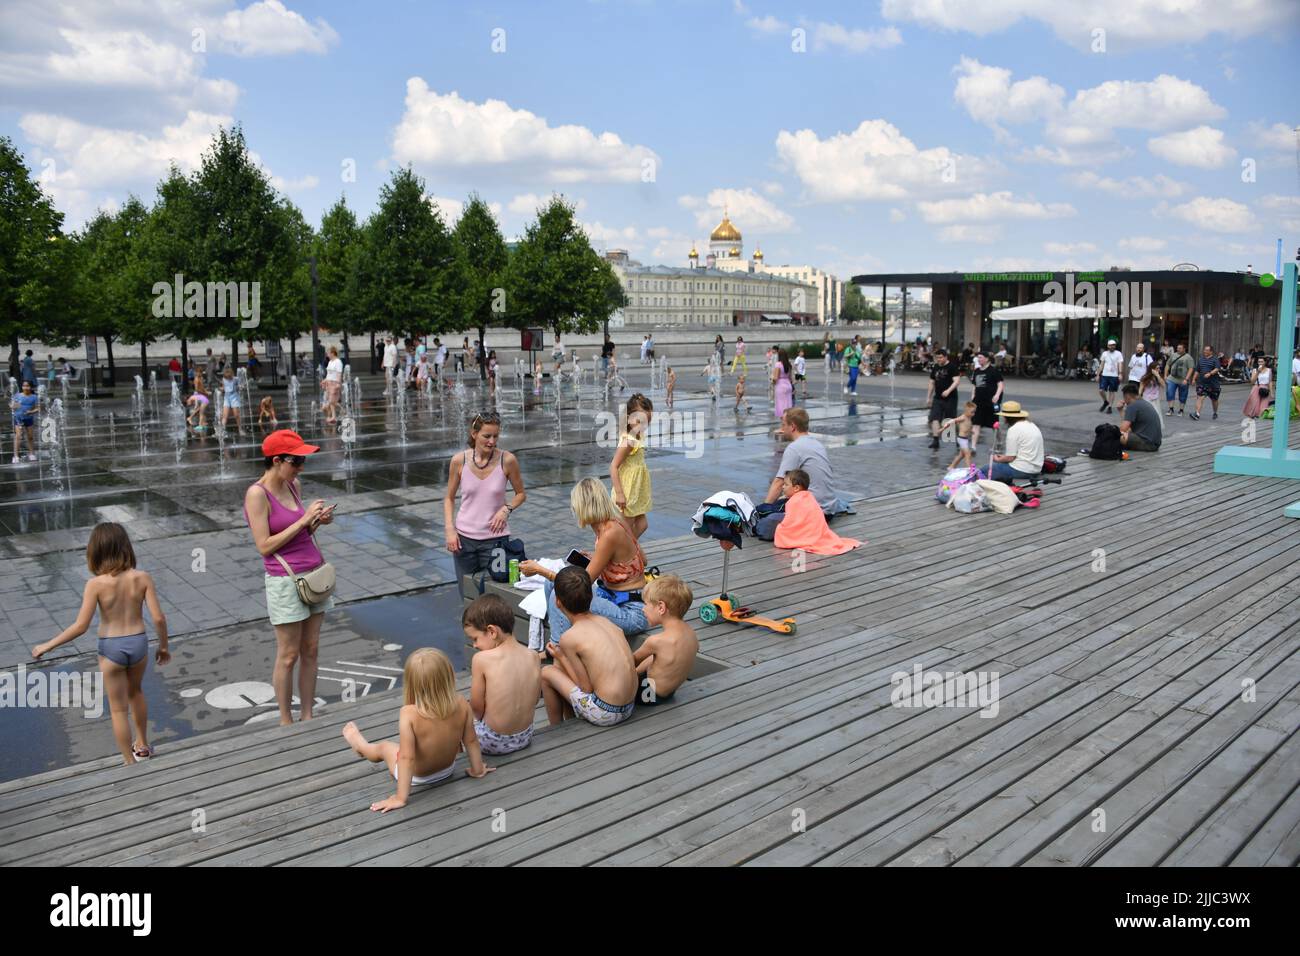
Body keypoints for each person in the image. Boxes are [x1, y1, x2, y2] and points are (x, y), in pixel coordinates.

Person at [31, 523, 170, 765]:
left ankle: (129, 761)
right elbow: (158, 617)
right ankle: (143, 745)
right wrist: (164, 647)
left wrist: (48, 645)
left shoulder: (95, 584)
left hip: (110, 647)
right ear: (126, 547)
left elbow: (80, 626)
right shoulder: (142, 577)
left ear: (96, 551)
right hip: (138, 642)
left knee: (118, 709)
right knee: (136, 692)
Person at [243, 430, 335, 725]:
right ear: (277, 460)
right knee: (288, 654)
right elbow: (264, 546)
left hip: (314, 575)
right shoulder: (257, 494)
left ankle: (307, 715)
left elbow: (300, 533)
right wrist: (305, 520)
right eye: (296, 461)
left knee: (311, 649)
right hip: (284, 579)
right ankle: (286, 720)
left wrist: (316, 523)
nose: (300, 467)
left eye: (302, 461)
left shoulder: (293, 484)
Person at [343, 649, 492, 812]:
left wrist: (400, 798)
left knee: (385, 747)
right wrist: (477, 770)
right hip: (447, 770)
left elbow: (407, 758)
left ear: (412, 683)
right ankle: (362, 746)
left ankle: (361, 746)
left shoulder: (409, 713)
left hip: (417, 777)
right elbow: (470, 740)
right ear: (449, 676)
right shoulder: (462, 703)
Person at [519, 477, 649, 643]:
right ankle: (568, 639)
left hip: (630, 611)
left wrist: (539, 570)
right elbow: (642, 559)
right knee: (549, 585)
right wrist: (603, 559)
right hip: (611, 596)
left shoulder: (609, 533)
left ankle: (558, 647)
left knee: (560, 593)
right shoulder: (616, 522)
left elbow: (579, 587)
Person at [540, 568, 637, 727]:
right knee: (562, 667)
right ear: (591, 597)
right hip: (628, 707)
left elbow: (585, 688)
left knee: (547, 672)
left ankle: (556, 728)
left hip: (606, 712)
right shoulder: (608, 623)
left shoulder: (569, 638)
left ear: (557, 602)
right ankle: (570, 721)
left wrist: (561, 656)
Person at [443, 411, 527, 580]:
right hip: (463, 541)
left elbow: (521, 494)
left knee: (499, 589)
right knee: (468, 595)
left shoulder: (508, 460)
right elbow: (449, 498)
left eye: (496, 436)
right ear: (474, 434)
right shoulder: (459, 460)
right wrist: (449, 529)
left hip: (496, 539)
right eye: (487, 436)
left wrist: (506, 509)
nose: (492, 442)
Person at [464, 595, 540, 754]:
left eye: (475, 638)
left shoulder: (481, 660)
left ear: (492, 631)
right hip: (525, 737)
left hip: (492, 742)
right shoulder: (533, 656)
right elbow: (533, 701)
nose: (475, 645)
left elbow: (477, 709)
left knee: (454, 709)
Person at [761, 408, 851, 523]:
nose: (782, 428)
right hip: (829, 508)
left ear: (792, 426)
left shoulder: (795, 448)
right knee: (781, 501)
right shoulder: (817, 444)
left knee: (766, 516)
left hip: (815, 512)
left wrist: (763, 509)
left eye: (784, 425)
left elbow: (779, 483)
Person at [632, 574, 698, 705]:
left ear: (661, 608)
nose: (643, 609)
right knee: (655, 656)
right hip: (667, 692)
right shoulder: (691, 633)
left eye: (645, 604)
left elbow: (630, 662)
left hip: (648, 695)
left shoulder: (656, 641)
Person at [773, 469, 862, 555]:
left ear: (796, 488)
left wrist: (780, 528)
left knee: (780, 530)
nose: (783, 486)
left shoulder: (794, 501)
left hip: (808, 534)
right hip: (817, 532)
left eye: (786, 484)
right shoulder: (809, 496)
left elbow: (791, 523)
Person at [610, 393, 653, 539]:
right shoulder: (628, 441)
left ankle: (627, 550)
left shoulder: (637, 436)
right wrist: (620, 494)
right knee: (624, 529)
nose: (643, 425)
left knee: (642, 525)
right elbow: (613, 466)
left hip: (636, 491)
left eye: (647, 421)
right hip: (627, 492)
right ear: (629, 419)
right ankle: (620, 553)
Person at [988, 401, 1044, 480]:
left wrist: (997, 459)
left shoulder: (1014, 429)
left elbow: (1010, 458)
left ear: (1006, 418)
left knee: (985, 469)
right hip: (1036, 469)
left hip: (1022, 470)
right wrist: (1004, 457)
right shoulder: (1031, 424)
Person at [968, 351, 1004, 452]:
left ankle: (1000, 442)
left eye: (980, 357)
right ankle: (973, 446)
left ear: (987, 359)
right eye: (978, 358)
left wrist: (997, 395)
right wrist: (973, 397)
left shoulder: (993, 371)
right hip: (979, 401)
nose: (979, 359)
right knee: (976, 423)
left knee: (994, 424)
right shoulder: (977, 371)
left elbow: (1000, 384)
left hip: (991, 401)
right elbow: (975, 386)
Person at [925, 348, 960, 450]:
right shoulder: (936, 367)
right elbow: (931, 382)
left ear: (945, 357)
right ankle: (935, 440)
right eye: (937, 358)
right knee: (934, 418)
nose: (939, 360)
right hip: (938, 398)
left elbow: (956, 381)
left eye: (940, 358)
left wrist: (948, 390)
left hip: (951, 398)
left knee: (950, 420)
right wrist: (928, 397)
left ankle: (959, 439)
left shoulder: (952, 367)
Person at [1118, 383, 1162, 451]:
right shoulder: (1143, 402)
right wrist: (1121, 410)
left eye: (1124, 397)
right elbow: (1128, 428)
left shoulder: (1132, 405)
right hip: (1156, 443)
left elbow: (1123, 429)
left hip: (1147, 443)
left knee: (1115, 436)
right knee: (1126, 433)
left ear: (1127, 396)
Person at [941, 401, 977, 471]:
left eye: (974, 412)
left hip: (965, 439)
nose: (973, 414)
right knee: (968, 454)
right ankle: (968, 469)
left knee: (961, 455)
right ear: (966, 411)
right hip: (961, 439)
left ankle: (951, 467)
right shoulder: (963, 417)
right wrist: (947, 423)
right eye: (972, 412)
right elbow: (954, 420)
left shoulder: (969, 418)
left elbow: (967, 426)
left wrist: (971, 431)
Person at [10, 379, 39, 463]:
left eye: (27, 386)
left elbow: (38, 408)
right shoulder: (17, 395)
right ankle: (15, 456)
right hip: (18, 418)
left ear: (31, 387)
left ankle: (31, 453)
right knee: (18, 436)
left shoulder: (34, 397)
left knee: (30, 437)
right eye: (24, 386)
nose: (25, 387)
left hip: (29, 419)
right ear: (22, 387)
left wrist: (31, 411)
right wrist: (13, 406)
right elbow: (12, 406)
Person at [1190, 345, 1221, 420]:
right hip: (1202, 383)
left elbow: (1217, 369)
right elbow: (1197, 370)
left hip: (1213, 384)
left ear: (1211, 351)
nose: (1205, 351)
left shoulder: (1215, 359)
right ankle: (1197, 414)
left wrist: (1210, 373)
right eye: (1204, 350)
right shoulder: (1201, 359)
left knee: (1214, 399)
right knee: (1200, 397)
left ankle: (1215, 412)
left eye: (1207, 350)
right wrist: (1193, 379)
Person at [1165, 343, 1194, 415]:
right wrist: (1165, 375)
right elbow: (1167, 364)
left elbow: (1191, 369)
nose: (1178, 349)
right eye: (1177, 348)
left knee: (1183, 395)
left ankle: (1181, 410)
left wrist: (1186, 379)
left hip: (1183, 379)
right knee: (1169, 393)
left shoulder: (1188, 357)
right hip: (1172, 378)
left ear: (1184, 349)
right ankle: (1170, 409)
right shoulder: (1173, 355)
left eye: (1180, 348)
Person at [1242, 356, 1273, 421]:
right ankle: (1252, 417)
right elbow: (1252, 381)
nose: (1260, 363)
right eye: (1259, 362)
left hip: (1265, 388)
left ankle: (1261, 419)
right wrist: (1258, 372)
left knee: (1263, 407)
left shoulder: (1269, 370)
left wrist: (1271, 392)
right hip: (1256, 387)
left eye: (1262, 362)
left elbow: (1270, 382)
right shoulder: (1255, 370)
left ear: (1265, 362)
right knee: (1255, 406)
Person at [1097, 339, 1123, 414]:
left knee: (1112, 391)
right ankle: (1105, 401)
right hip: (1105, 375)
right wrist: (1098, 374)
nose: (1112, 346)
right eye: (1111, 345)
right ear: (1108, 346)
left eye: (1113, 345)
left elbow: (1120, 364)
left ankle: (1110, 407)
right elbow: (1101, 364)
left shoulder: (1118, 354)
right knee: (1101, 390)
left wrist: (1120, 373)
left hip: (1114, 375)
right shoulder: (1104, 353)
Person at [322, 346, 343, 425]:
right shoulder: (330, 362)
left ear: (333, 353)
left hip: (334, 383)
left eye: (328, 353)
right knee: (331, 402)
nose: (327, 355)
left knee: (331, 401)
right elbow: (329, 374)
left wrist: (338, 384)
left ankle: (336, 414)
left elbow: (339, 373)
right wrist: (324, 380)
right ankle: (334, 416)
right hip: (329, 383)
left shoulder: (338, 362)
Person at [772, 348, 794, 422]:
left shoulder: (778, 364)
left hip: (780, 385)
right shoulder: (789, 364)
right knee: (788, 405)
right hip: (788, 385)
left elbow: (776, 378)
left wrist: (772, 380)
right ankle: (788, 425)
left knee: (781, 406)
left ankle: (783, 426)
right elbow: (791, 378)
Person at [220, 367, 241, 431]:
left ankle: (240, 429)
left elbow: (239, 386)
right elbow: (224, 387)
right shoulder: (224, 379)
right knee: (225, 416)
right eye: (226, 377)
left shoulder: (235, 379)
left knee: (236, 415)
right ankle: (222, 430)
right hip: (226, 397)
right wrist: (221, 389)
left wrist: (240, 387)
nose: (228, 378)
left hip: (234, 397)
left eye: (229, 377)